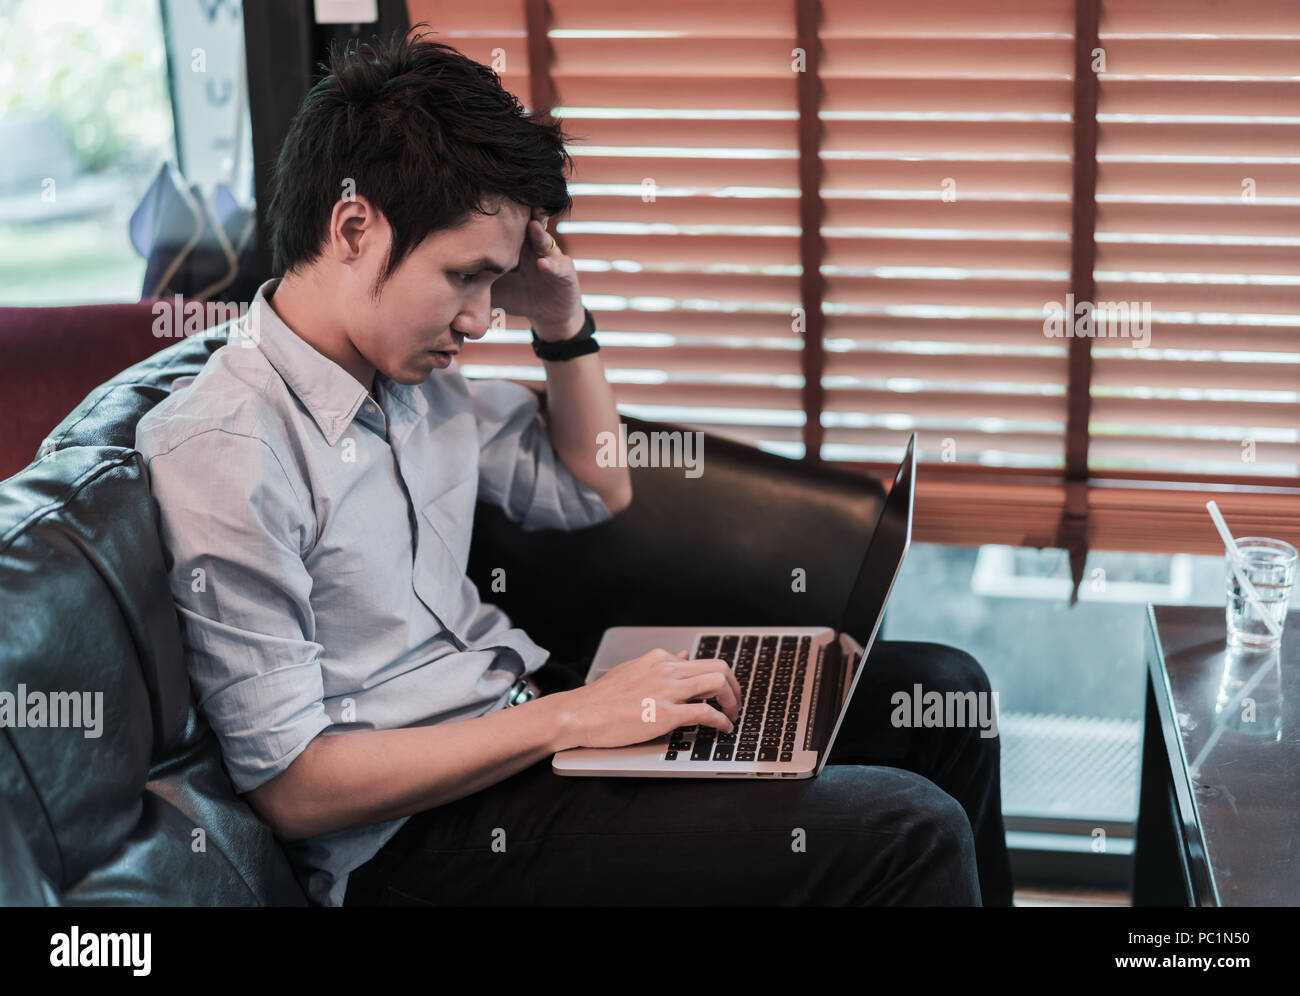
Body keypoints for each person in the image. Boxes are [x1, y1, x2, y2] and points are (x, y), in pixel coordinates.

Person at [135, 29, 1013, 908]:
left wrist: (563, 320)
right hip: (417, 843)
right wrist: (578, 717)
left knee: (942, 697)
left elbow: (602, 485)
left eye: (497, 282)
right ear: (355, 226)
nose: (481, 321)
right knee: (911, 830)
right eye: (463, 277)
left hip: (529, 721)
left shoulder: (410, 379)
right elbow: (294, 787)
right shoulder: (226, 450)